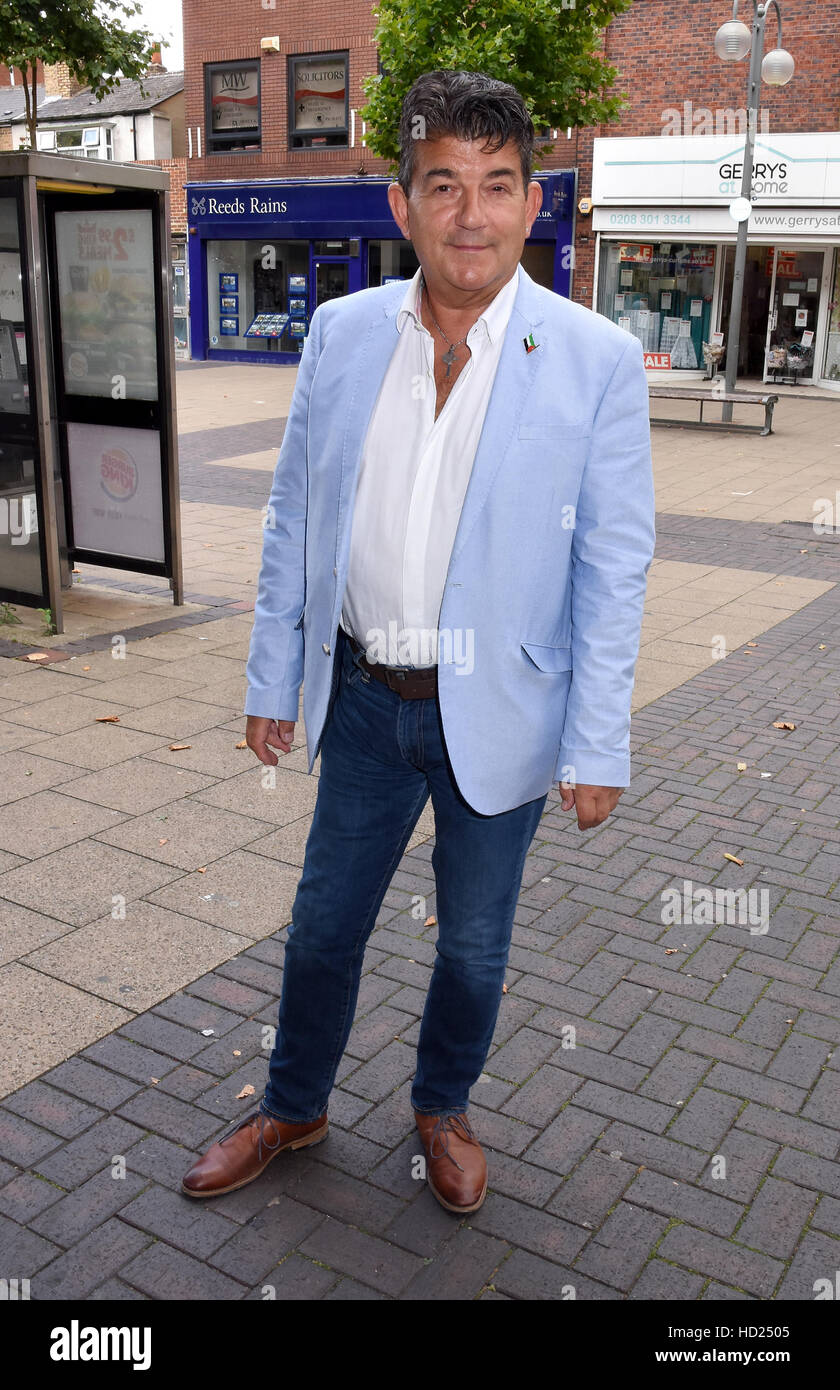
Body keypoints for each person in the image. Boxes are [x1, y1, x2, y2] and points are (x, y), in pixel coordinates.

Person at [182, 69, 656, 1215]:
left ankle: (441, 1109)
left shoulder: (593, 359)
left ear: (532, 202)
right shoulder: (343, 335)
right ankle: (293, 1105)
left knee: (471, 950)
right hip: (360, 693)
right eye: (443, 185)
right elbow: (295, 516)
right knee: (321, 930)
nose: (471, 214)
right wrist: (272, 677)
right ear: (403, 205)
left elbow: (613, 563)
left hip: (500, 706)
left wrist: (598, 743)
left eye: (497, 186)